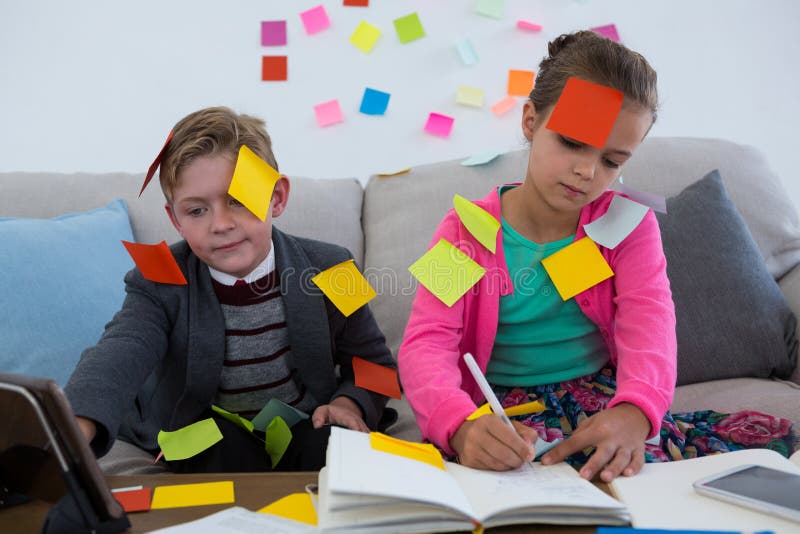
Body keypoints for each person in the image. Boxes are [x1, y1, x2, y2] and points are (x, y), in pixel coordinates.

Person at [398, 31, 793, 482]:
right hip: (494, 412)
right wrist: (458, 425)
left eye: (611, 160)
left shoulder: (627, 226)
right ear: (530, 121)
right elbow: (426, 342)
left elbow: (650, 324)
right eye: (572, 143)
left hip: (600, 401)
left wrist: (636, 411)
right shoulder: (465, 231)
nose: (587, 171)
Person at [66, 106, 396, 473]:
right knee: (215, 447)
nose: (221, 224)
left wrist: (349, 404)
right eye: (196, 211)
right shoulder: (157, 281)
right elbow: (123, 349)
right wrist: (79, 419)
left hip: (306, 422)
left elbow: (375, 363)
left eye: (238, 200)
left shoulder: (333, 267)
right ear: (175, 218)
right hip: (210, 433)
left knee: (333, 447)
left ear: (277, 197)